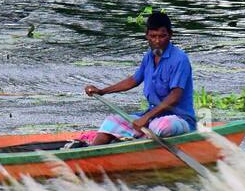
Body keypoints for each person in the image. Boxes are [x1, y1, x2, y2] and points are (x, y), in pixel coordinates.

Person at [83, 11, 196, 144]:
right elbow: (133, 80)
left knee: (161, 126)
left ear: (170, 35)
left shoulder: (180, 59)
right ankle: (89, 155)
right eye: (153, 36)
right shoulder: (149, 56)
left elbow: (175, 96)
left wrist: (147, 117)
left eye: (162, 36)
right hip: (151, 118)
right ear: (147, 35)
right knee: (110, 123)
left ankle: (137, 140)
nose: (157, 41)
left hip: (178, 119)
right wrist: (102, 91)